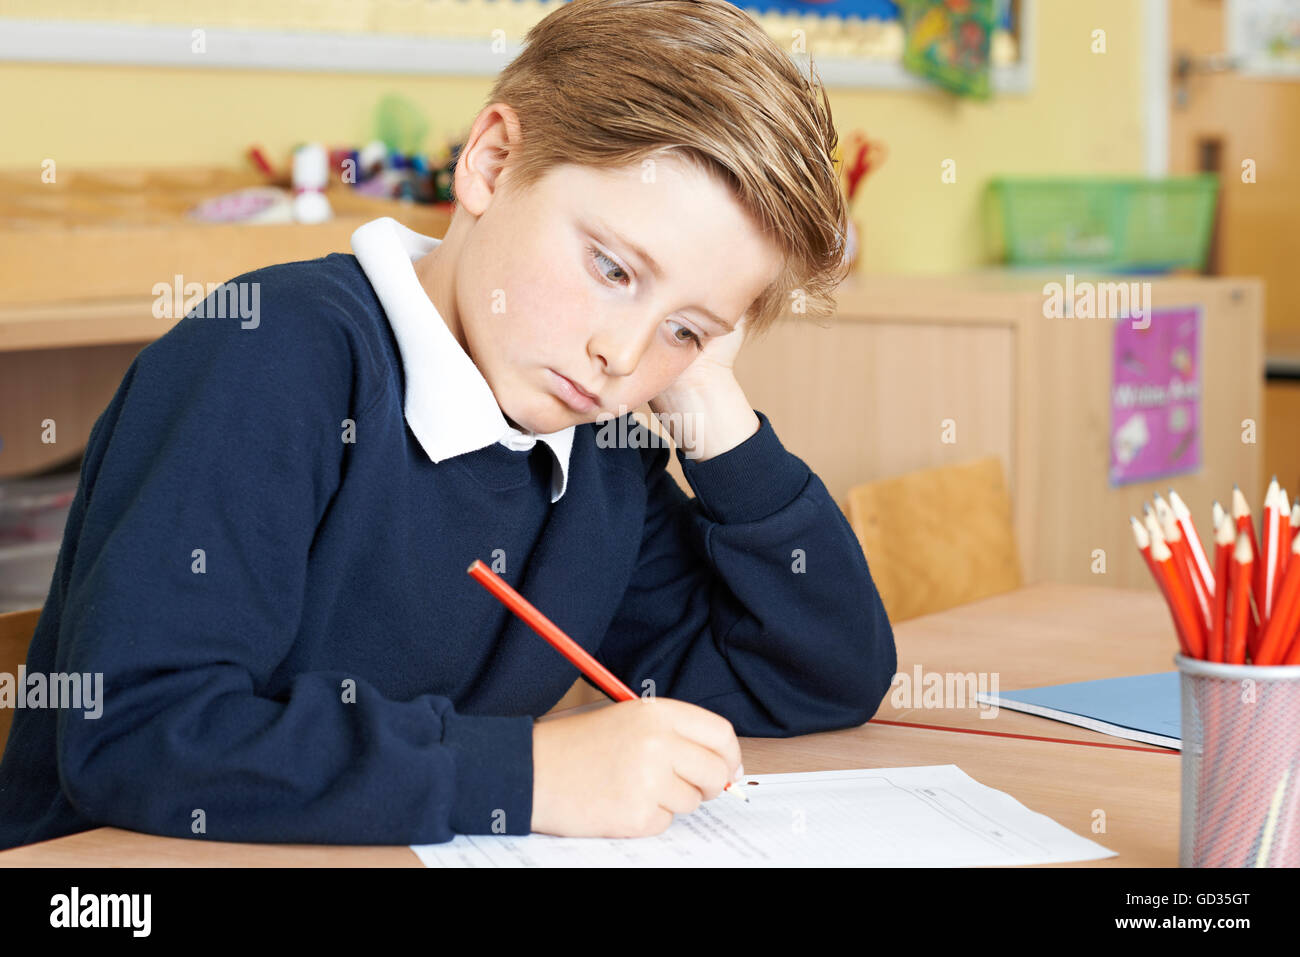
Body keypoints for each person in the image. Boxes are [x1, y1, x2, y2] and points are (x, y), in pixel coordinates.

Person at [0, 0, 895, 850]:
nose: (620, 353)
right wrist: (530, 774)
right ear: (493, 163)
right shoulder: (275, 356)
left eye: (687, 328)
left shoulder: (592, 448)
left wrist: (716, 416)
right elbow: (138, 733)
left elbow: (815, 676)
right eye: (614, 270)